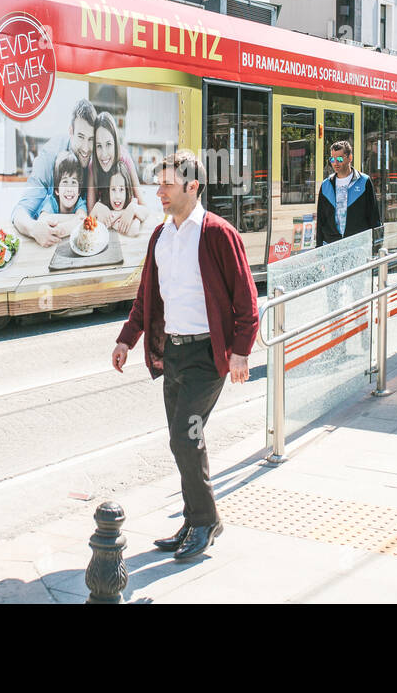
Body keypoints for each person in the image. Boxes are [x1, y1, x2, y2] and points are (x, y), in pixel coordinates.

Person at [111, 150, 258, 563]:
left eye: (167, 184)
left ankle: (206, 520)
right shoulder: (161, 236)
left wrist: (241, 353)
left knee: (185, 437)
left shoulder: (217, 234)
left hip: (206, 356)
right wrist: (127, 339)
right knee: (182, 442)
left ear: (192, 186)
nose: (158, 191)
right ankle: (196, 518)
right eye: (158, 184)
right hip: (172, 353)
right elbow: (147, 299)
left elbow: (247, 301)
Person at [12, 99, 97, 246]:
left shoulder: (96, 156)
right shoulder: (49, 157)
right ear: (71, 132)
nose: (85, 148)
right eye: (81, 137)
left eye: (91, 139)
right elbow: (21, 212)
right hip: (48, 244)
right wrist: (33, 229)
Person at [314, 140, 382, 250]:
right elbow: (321, 220)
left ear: (350, 158)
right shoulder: (325, 185)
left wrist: (377, 246)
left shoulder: (364, 181)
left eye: (340, 159)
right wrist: (318, 248)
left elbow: (374, 217)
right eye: (332, 159)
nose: (335, 163)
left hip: (358, 246)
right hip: (332, 246)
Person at [87, 110, 148, 232]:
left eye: (108, 144)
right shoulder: (93, 165)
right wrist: (98, 207)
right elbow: (91, 213)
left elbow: (144, 207)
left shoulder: (124, 158)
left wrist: (133, 208)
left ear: (115, 143)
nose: (104, 154)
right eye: (99, 146)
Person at [34, 151, 87, 239]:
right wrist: (73, 221)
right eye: (65, 182)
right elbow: (42, 221)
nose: (69, 189)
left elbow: (82, 220)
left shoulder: (80, 203)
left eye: (73, 182)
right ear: (57, 190)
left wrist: (56, 227)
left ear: (79, 191)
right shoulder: (51, 202)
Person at [92, 164, 144, 237]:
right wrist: (123, 213)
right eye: (113, 189)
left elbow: (134, 230)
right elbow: (89, 224)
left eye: (121, 189)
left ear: (126, 190)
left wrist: (131, 209)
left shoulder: (132, 203)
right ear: (108, 190)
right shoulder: (102, 206)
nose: (117, 196)